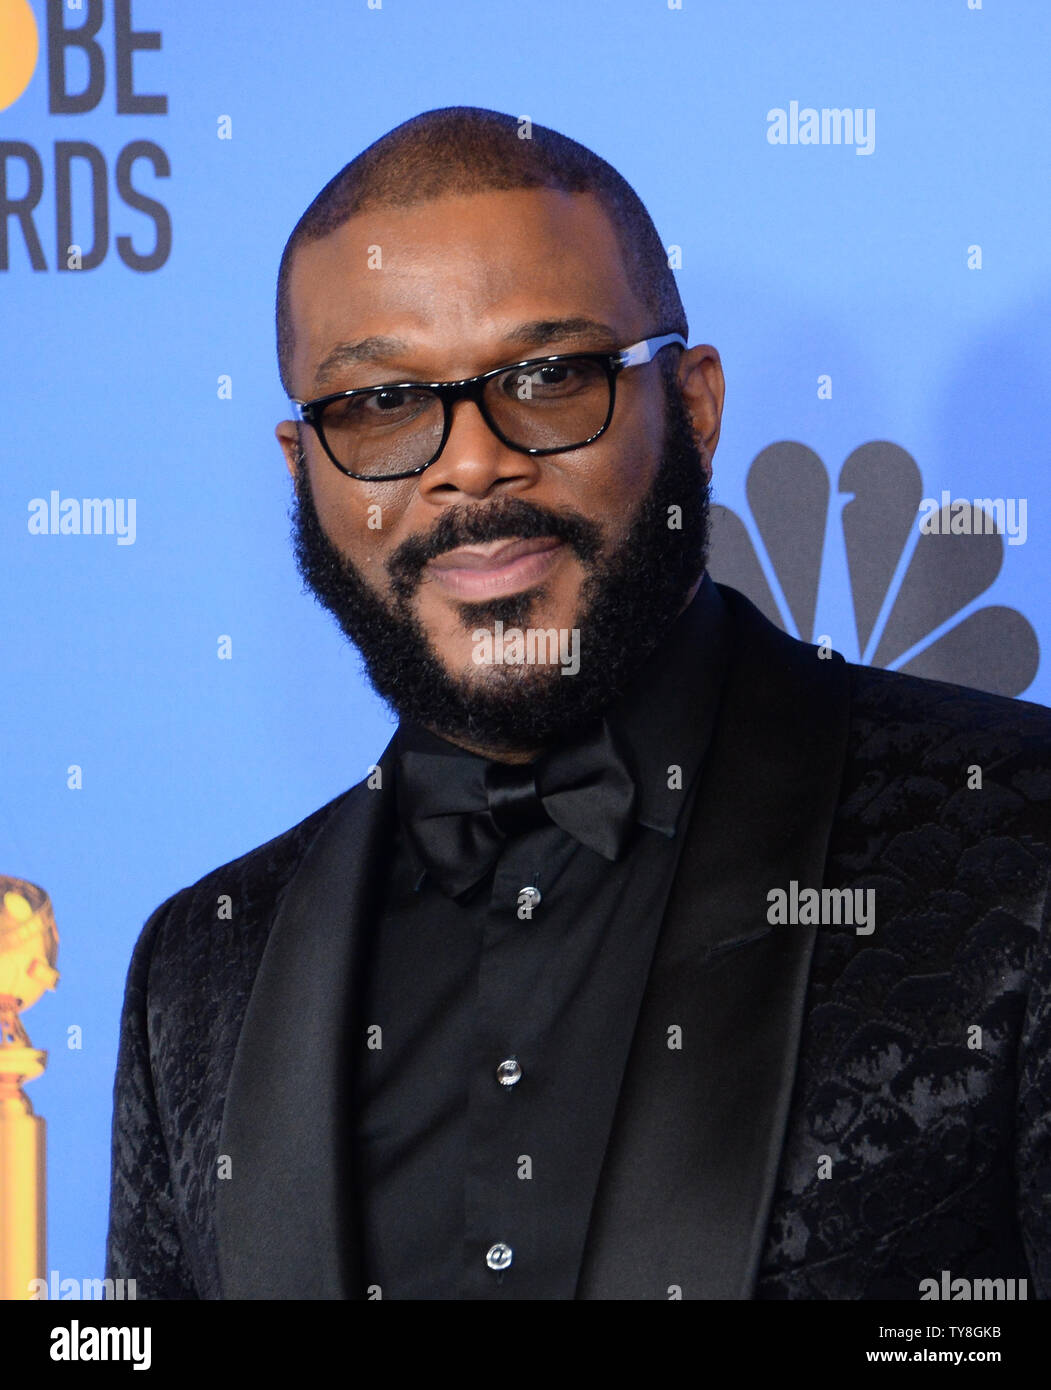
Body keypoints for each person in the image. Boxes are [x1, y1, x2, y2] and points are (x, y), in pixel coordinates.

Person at [105, 106, 1051, 1300]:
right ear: (303, 470)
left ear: (693, 408)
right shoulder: (198, 968)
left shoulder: (1016, 841)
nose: (470, 461)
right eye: (381, 403)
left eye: (549, 377)